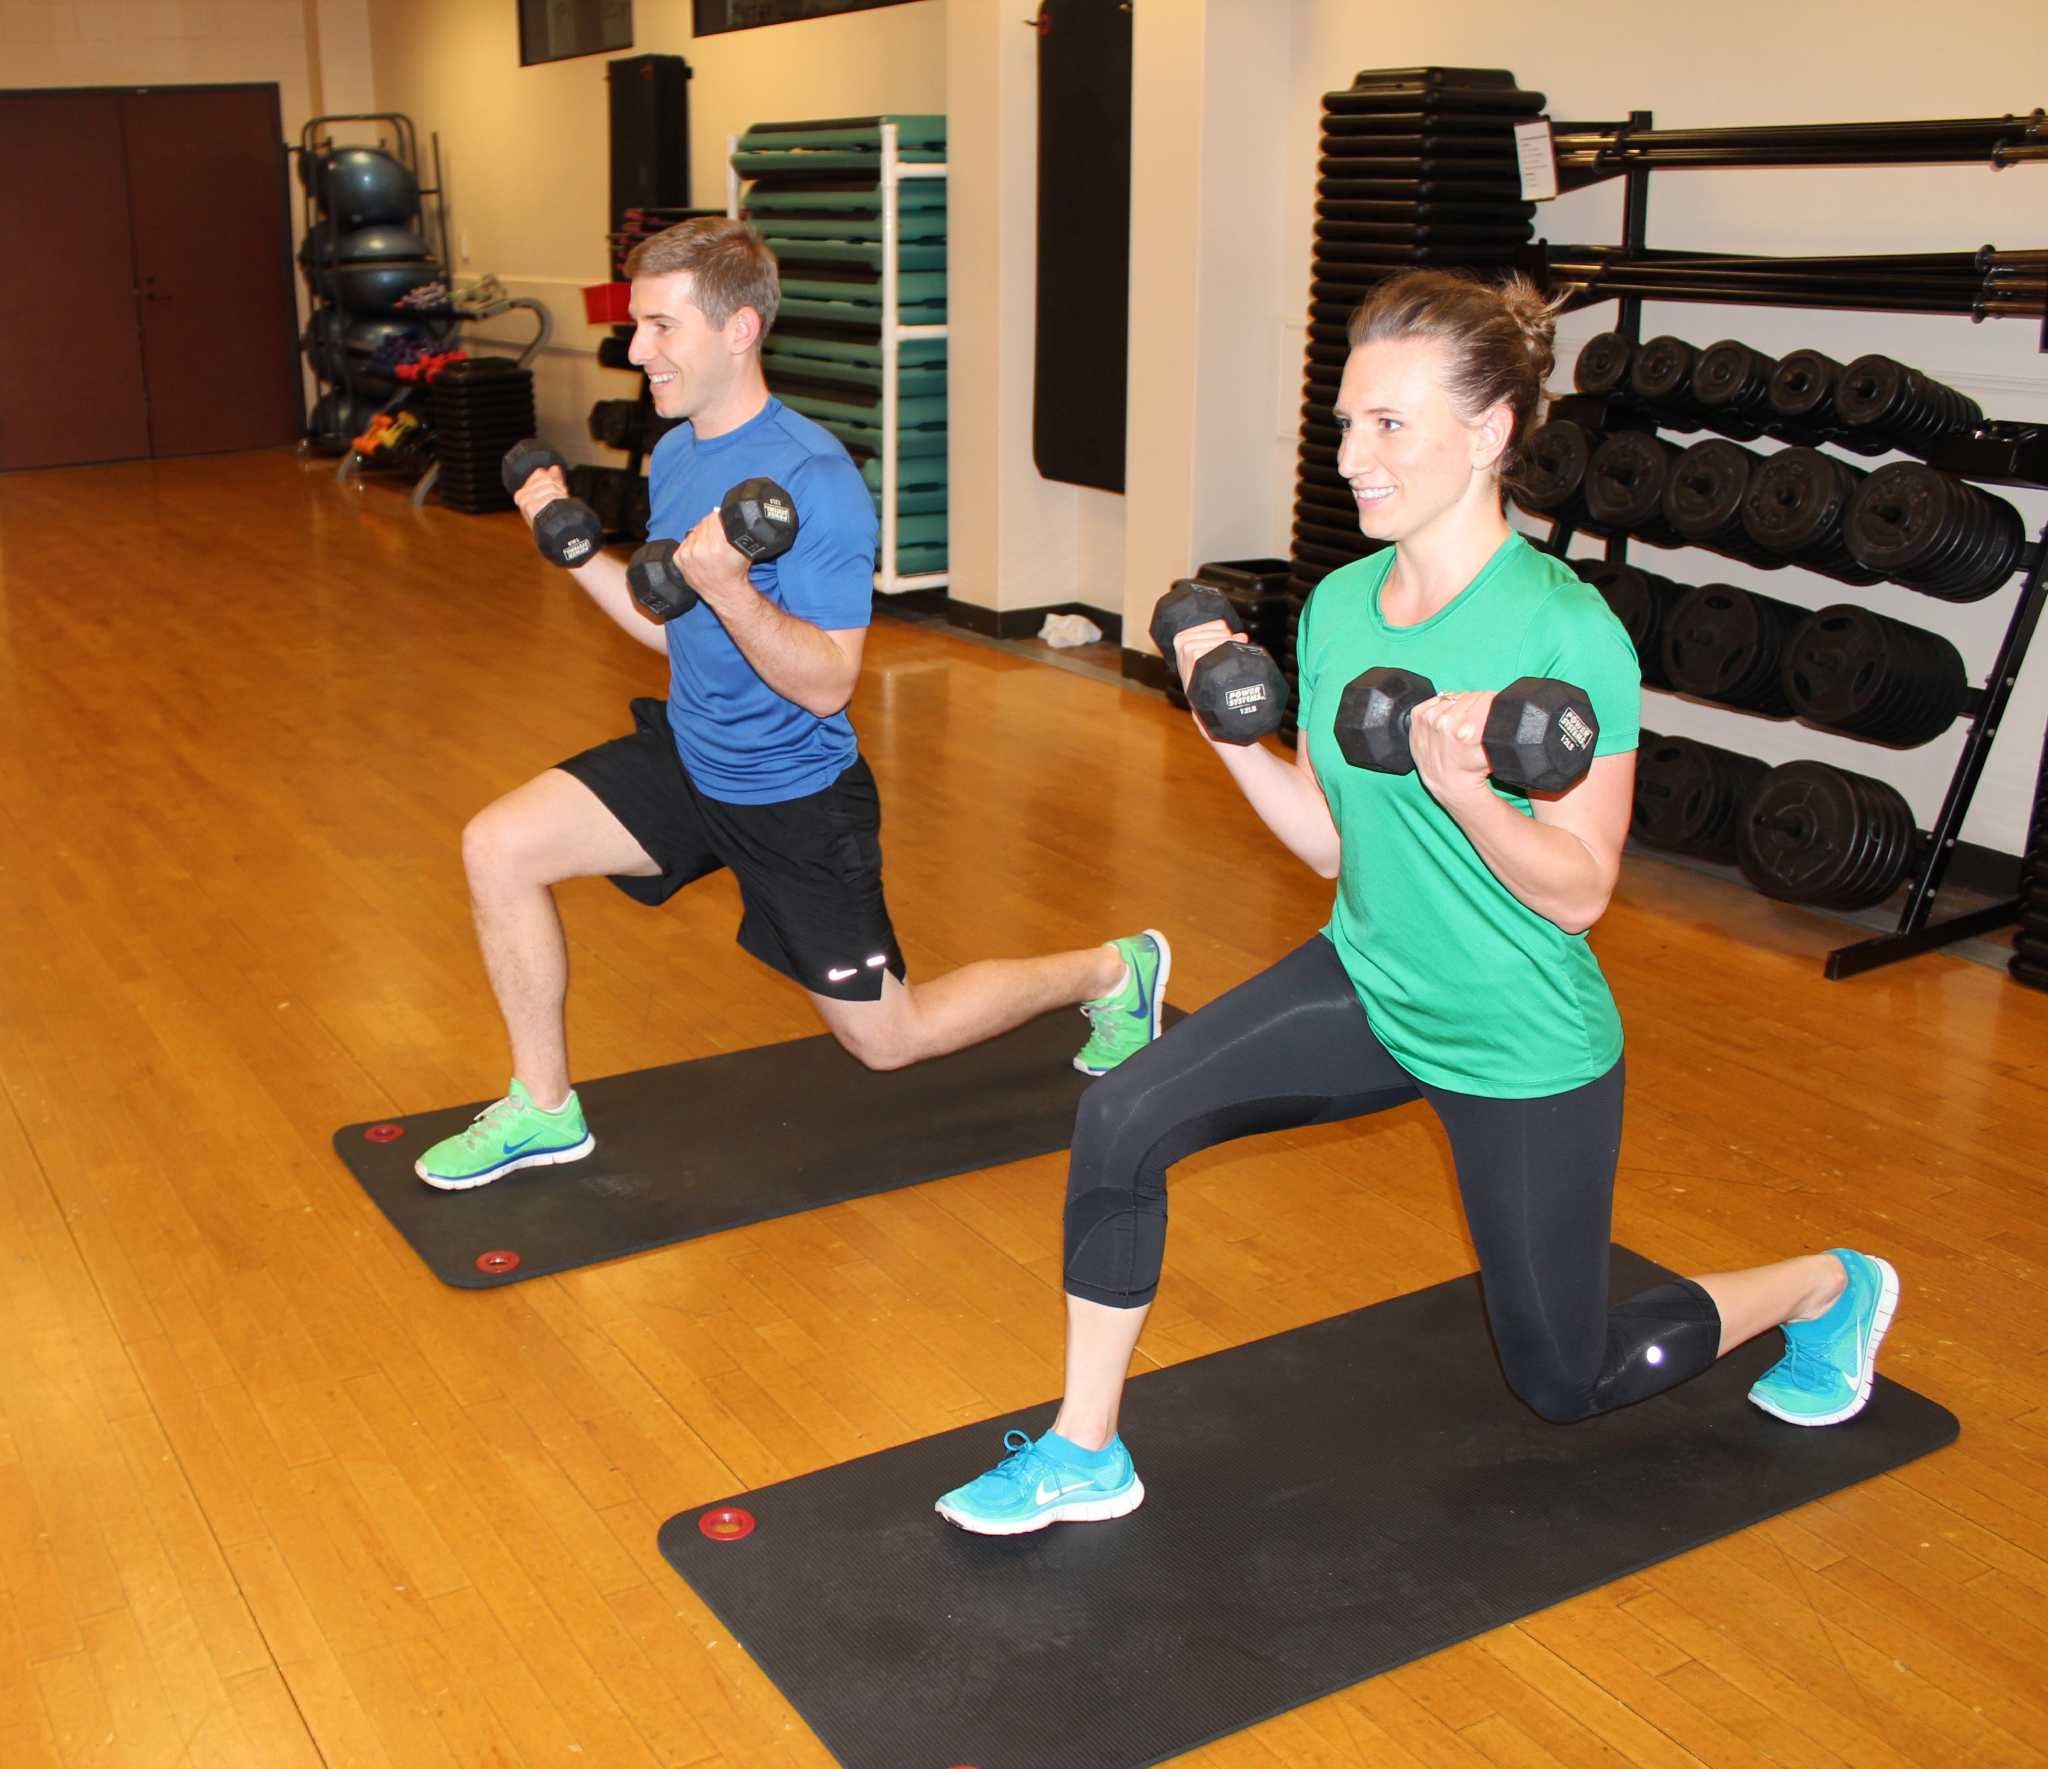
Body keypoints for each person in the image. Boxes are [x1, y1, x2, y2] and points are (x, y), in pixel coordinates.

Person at [934, 270, 1899, 1535]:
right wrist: (1224, 733)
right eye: (1346, 423)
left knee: (1565, 1376)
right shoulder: (1341, 604)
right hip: (1370, 979)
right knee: (1121, 1113)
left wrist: (1474, 796)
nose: (1352, 457)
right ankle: (1083, 1447)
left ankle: (1828, 1285)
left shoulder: (1569, 635)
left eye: (1388, 425)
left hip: (1516, 1033)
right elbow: (1336, 848)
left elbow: (1578, 892)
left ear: (1490, 432)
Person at [414, 218, 1167, 1189]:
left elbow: (824, 681)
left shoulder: (815, 482)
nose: (636, 350)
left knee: (890, 1037)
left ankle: (1113, 971)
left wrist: (730, 585)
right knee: (498, 845)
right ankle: (543, 1106)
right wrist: (573, 553)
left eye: (658, 327)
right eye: (636, 326)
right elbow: (669, 631)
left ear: (737, 330)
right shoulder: (682, 448)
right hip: (693, 754)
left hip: (792, 793)